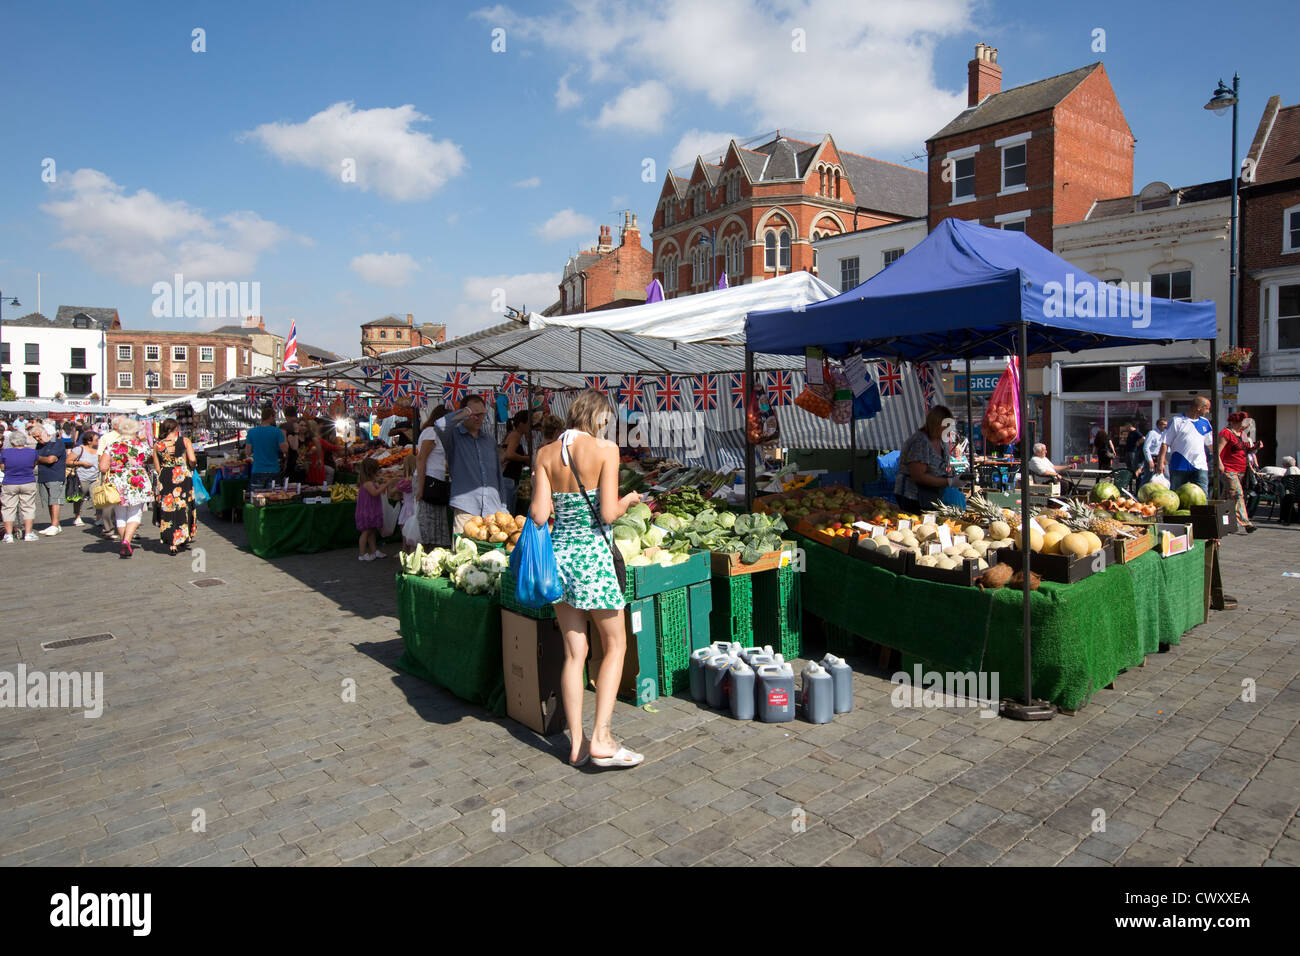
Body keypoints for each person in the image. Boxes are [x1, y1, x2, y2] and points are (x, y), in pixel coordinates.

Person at [530, 389, 644, 769]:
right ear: (597, 417)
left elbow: (539, 515)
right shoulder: (606, 450)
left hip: (559, 558)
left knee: (574, 652)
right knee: (615, 645)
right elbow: (609, 514)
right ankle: (602, 738)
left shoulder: (544, 454)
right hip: (593, 558)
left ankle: (576, 745)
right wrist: (629, 501)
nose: (606, 425)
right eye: (605, 419)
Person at [434, 394, 508, 536]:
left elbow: (497, 476)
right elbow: (439, 425)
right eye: (475, 414)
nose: (478, 418)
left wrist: (503, 507)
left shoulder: (489, 441)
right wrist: (467, 412)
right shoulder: (453, 437)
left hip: (492, 510)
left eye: (481, 414)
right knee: (464, 555)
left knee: (490, 556)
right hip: (466, 509)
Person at [99, 418, 153, 558]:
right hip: (137, 481)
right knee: (135, 513)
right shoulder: (141, 446)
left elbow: (103, 467)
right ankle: (126, 541)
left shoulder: (112, 445)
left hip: (117, 482)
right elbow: (151, 459)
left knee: (120, 514)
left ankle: (124, 541)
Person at [897, 405, 961, 512]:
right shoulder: (920, 442)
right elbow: (918, 476)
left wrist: (954, 478)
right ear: (937, 425)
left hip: (932, 496)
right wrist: (949, 482)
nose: (949, 430)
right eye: (947, 426)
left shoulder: (941, 441)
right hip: (913, 497)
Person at [152, 418, 198, 555]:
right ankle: (182, 536)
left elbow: (157, 467)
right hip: (182, 476)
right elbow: (192, 459)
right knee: (183, 506)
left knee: (168, 507)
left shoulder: (157, 445)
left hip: (165, 476)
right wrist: (191, 466)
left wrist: (166, 472)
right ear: (175, 428)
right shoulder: (185, 441)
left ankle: (171, 542)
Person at [413, 405, 451, 549]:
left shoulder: (439, 434)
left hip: (435, 480)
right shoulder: (431, 432)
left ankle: (435, 549)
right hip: (428, 480)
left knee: (436, 518)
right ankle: (426, 551)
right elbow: (421, 459)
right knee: (428, 519)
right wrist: (421, 489)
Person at [1158, 395, 1213, 493]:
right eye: (1207, 409)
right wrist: (1160, 463)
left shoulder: (1205, 423)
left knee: (1202, 495)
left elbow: (1210, 445)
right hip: (1179, 465)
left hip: (1200, 466)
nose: (1208, 412)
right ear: (1199, 407)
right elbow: (1165, 443)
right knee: (1176, 496)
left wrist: (1219, 461)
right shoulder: (1177, 421)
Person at [1217, 411, 1256, 533]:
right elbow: (1218, 450)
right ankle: (1246, 523)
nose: (1247, 426)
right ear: (1237, 421)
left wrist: (1256, 448)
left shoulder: (1242, 434)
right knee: (1238, 493)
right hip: (1229, 469)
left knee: (1226, 498)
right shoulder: (1226, 433)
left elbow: (1246, 450)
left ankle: (1218, 518)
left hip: (1241, 470)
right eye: (1245, 423)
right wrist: (1219, 464)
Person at [355, 457, 399, 561]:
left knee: (372, 531)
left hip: (371, 510)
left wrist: (382, 482)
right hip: (367, 511)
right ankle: (362, 554)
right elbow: (374, 493)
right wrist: (386, 485)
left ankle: (374, 551)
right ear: (372, 471)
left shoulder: (369, 481)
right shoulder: (368, 483)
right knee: (366, 532)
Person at [2, 429, 40, 543]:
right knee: (28, 507)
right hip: (28, 481)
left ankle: (8, 535)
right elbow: (34, 466)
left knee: (8, 508)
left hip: (10, 481)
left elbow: (3, 468)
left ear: (12, 442)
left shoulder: (5, 452)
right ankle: (28, 533)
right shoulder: (32, 452)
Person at [31, 423, 68, 536]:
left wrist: (38, 458)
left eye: (38, 436)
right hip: (43, 475)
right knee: (48, 501)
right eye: (35, 437)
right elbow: (40, 459)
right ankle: (54, 524)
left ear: (45, 433)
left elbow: (50, 460)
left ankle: (55, 524)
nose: (38, 439)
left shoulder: (57, 443)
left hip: (55, 475)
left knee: (55, 500)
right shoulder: (39, 445)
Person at [245, 406, 288, 491]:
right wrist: (284, 436)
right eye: (274, 417)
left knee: (256, 497)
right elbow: (285, 449)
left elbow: (248, 452)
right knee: (273, 498)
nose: (274, 419)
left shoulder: (251, 432)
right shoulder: (277, 431)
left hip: (257, 469)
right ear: (271, 416)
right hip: (273, 470)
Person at [67, 431, 102, 527]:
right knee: (79, 498)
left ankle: (99, 518)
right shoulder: (79, 449)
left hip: (96, 478)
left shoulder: (99, 450)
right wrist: (81, 463)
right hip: (82, 477)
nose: (98, 441)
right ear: (89, 441)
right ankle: (77, 516)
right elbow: (68, 461)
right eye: (96, 440)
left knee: (98, 497)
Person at [500, 410, 531, 513]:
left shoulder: (516, 435)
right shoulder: (515, 435)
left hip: (511, 479)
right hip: (508, 478)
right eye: (528, 423)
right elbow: (510, 454)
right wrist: (525, 458)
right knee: (508, 513)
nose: (530, 426)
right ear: (522, 424)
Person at [301, 420, 343, 486]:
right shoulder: (319, 441)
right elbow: (334, 448)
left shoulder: (304, 441)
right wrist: (344, 446)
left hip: (306, 469)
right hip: (317, 468)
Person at [1140, 418, 1169, 486]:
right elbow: (1146, 447)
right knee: (1148, 477)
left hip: (1162, 457)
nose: (1165, 426)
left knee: (1166, 476)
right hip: (1153, 457)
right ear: (1158, 425)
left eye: (1166, 425)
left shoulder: (1165, 434)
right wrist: (1150, 460)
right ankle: (1140, 492)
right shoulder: (1152, 433)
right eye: (1163, 424)